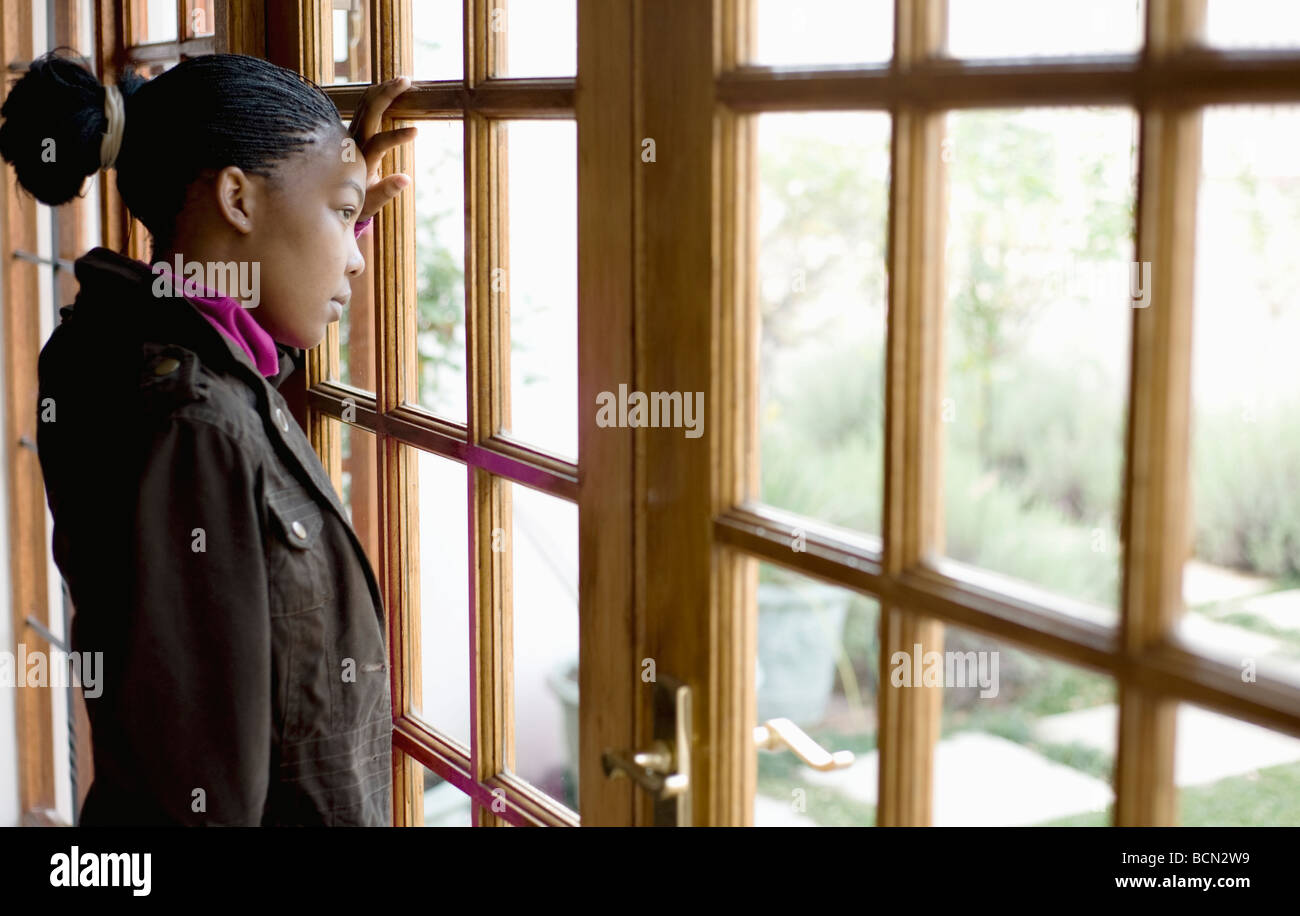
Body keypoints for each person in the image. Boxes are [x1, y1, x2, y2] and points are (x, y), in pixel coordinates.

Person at [0, 49, 416, 825]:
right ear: (237, 199)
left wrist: (332, 205)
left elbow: (242, 361)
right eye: (340, 213)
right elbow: (195, 803)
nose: (357, 256)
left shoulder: (127, 346)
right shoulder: (190, 426)